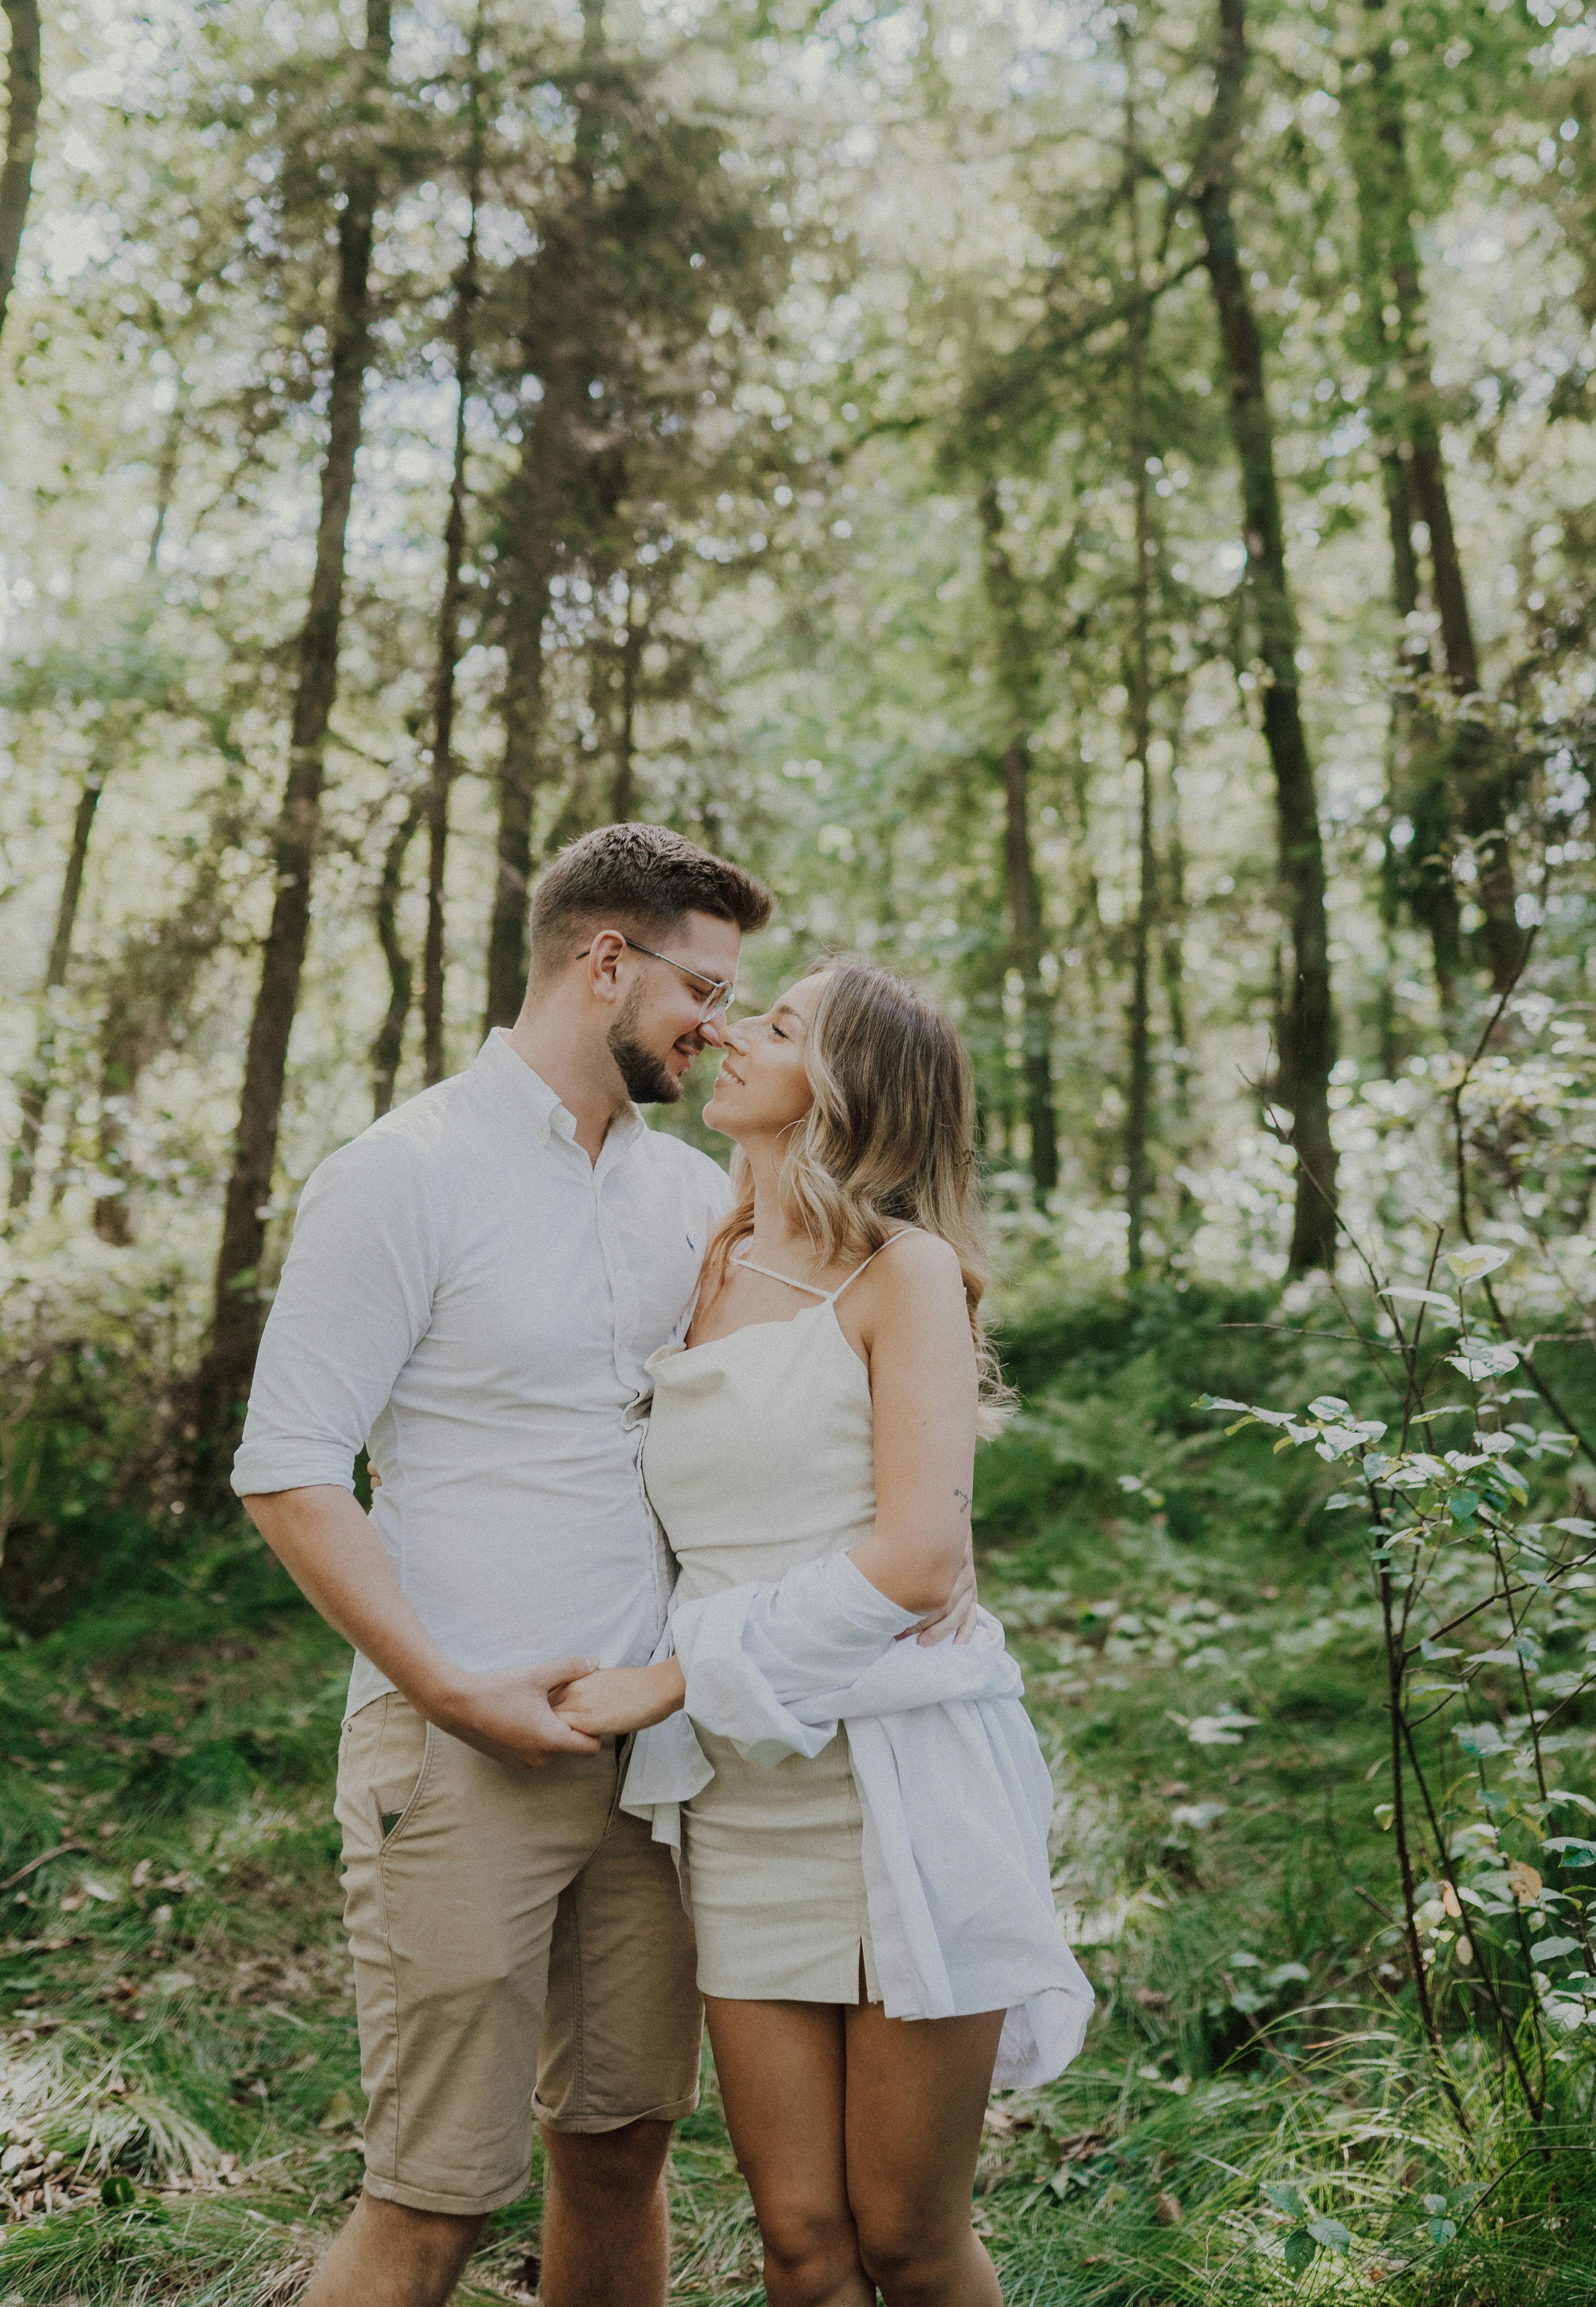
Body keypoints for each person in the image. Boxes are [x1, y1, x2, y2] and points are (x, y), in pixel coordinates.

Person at [229, 823, 777, 2307]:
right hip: (455, 1749)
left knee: (622, 2150)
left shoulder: (688, 1198)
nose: (718, 1025)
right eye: (703, 989)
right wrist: (452, 1692)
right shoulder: (403, 1173)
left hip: (653, 1758)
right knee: (434, 2200)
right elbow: (289, 1469)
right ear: (606, 960)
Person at [551, 958, 1093, 2307]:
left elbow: (918, 1561)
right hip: (740, 1805)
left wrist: (667, 1681)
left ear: (849, 1089)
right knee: (800, 2239)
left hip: (898, 1785)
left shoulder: (903, 1275)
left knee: (907, 2237)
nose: (730, 1031)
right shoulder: (704, 1260)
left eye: (780, 1025)